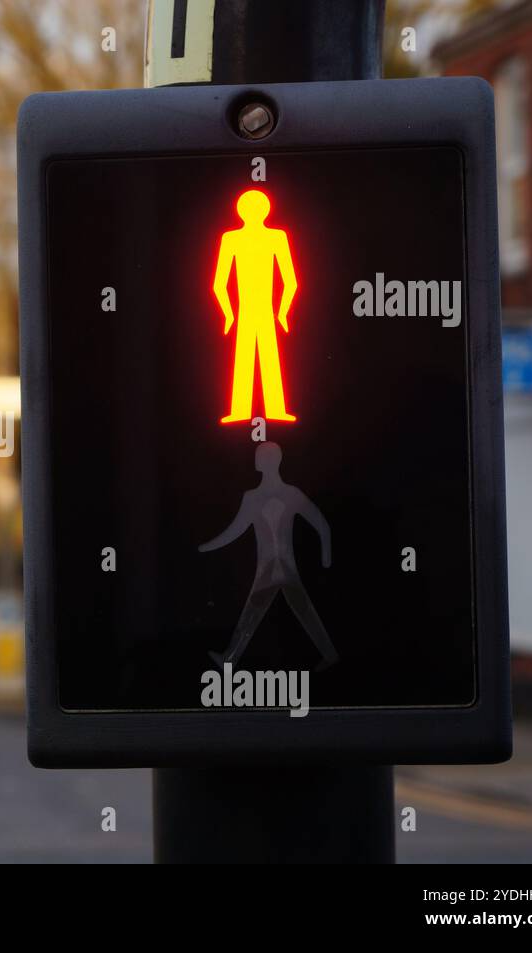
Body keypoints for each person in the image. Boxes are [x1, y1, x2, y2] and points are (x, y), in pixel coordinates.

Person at [198, 442, 337, 669]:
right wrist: (209, 546)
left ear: (271, 460)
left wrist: (327, 558)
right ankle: (229, 659)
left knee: (288, 614)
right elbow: (235, 530)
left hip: (282, 569)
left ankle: (229, 659)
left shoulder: (290, 494)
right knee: (266, 615)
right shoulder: (252, 498)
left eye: (260, 456)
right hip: (270, 570)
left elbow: (322, 525)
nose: (256, 460)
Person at [212, 189, 298, 423]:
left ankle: (258, 411)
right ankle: (252, 411)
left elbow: (219, 285)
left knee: (259, 357)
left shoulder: (273, 237)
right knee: (261, 358)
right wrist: (281, 312)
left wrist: (230, 313)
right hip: (256, 310)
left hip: (254, 310)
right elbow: (219, 283)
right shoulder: (236, 239)